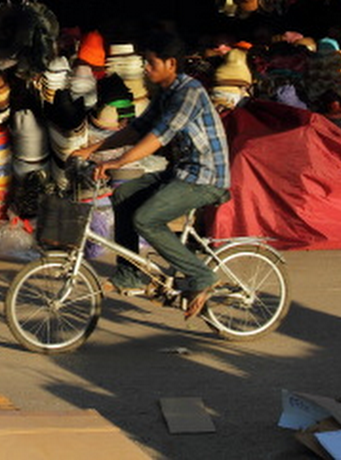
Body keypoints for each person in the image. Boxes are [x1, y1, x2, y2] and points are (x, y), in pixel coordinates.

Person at [72, 31, 230, 319]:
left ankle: (202, 275)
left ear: (171, 63)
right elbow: (136, 129)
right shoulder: (166, 93)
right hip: (182, 172)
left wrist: (117, 162)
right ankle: (128, 274)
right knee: (123, 194)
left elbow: (157, 138)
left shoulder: (189, 93)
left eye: (151, 63)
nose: (146, 68)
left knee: (145, 218)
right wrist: (90, 150)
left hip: (206, 178)